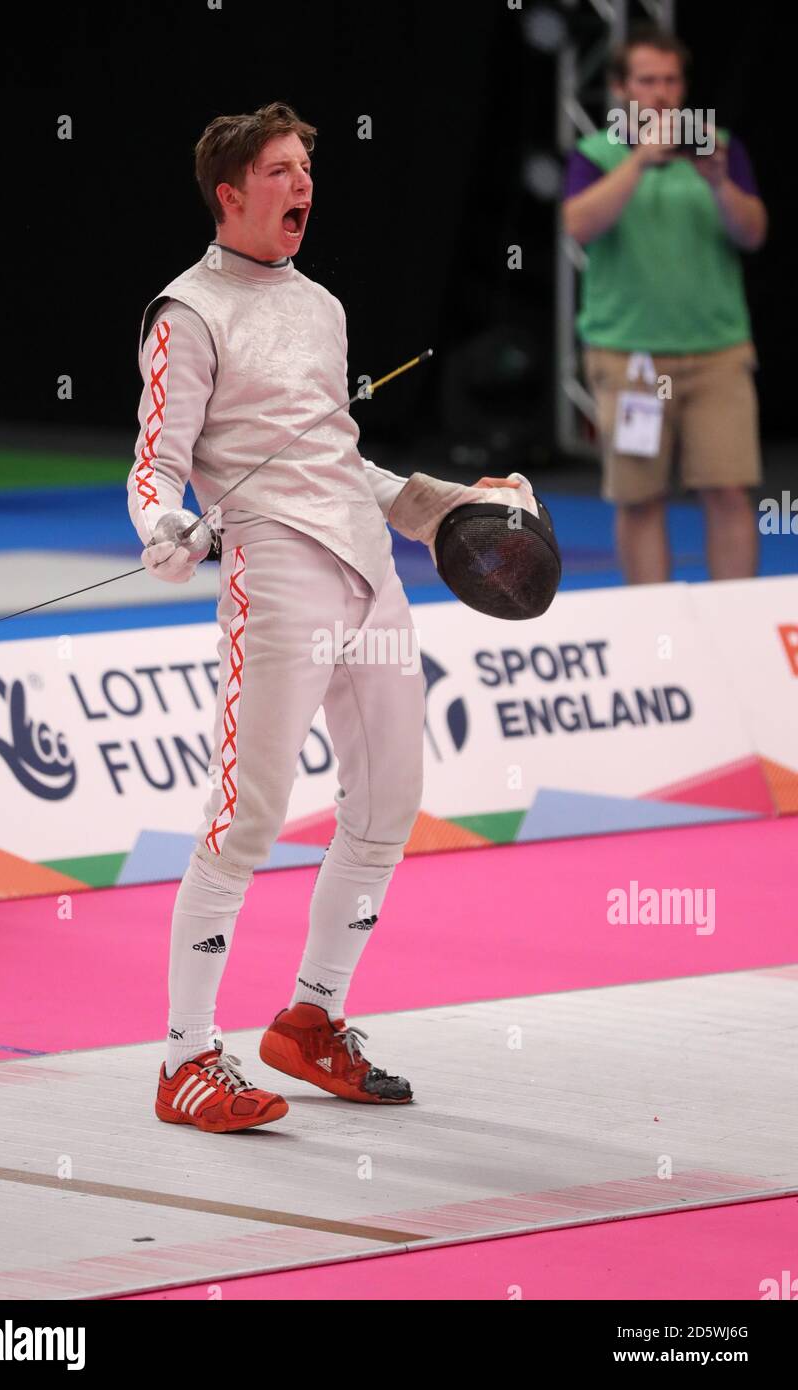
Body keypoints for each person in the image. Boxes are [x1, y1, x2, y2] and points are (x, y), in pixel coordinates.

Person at [127, 101, 521, 1133]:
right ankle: (183, 1058)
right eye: (283, 170)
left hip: (367, 570)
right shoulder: (188, 311)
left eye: (308, 167)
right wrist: (166, 524)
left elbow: (339, 460)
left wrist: (444, 504)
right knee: (248, 813)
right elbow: (155, 466)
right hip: (281, 573)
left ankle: (311, 1016)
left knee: (390, 798)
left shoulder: (323, 305)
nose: (304, 184)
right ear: (232, 193)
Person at [562, 25, 768, 584]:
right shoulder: (597, 153)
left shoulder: (718, 148)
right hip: (631, 358)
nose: (660, 92)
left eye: (671, 79)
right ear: (621, 88)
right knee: (640, 496)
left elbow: (752, 234)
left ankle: (735, 625)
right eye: (647, 80)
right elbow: (579, 225)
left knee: (728, 489)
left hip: (717, 351)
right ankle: (654, 628)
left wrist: (721, 182)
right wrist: (639, 161)